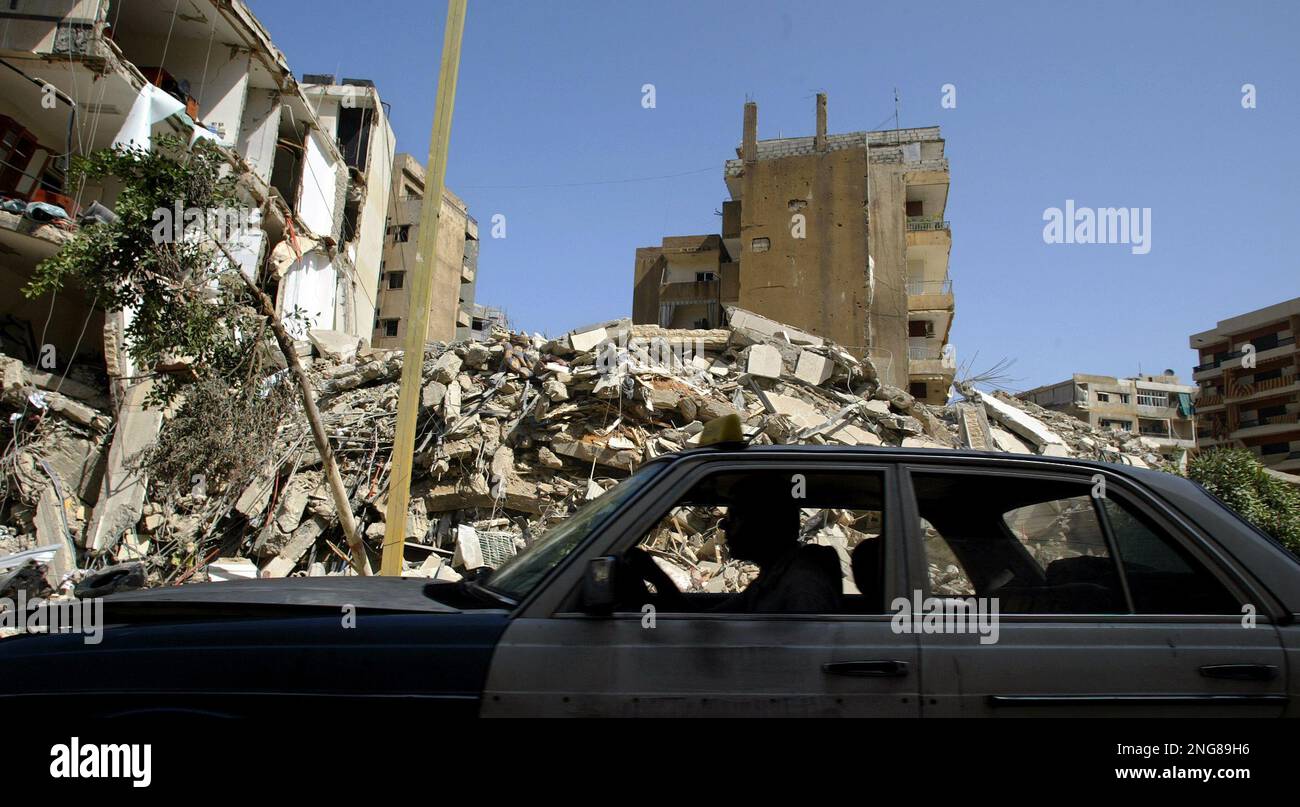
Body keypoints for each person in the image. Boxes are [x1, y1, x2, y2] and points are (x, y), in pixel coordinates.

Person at [715, 475, 841, 613]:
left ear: (764, 523)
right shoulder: (771, 577)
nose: (723, 524)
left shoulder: (801, 590)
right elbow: (721, 615)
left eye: (734, 516)